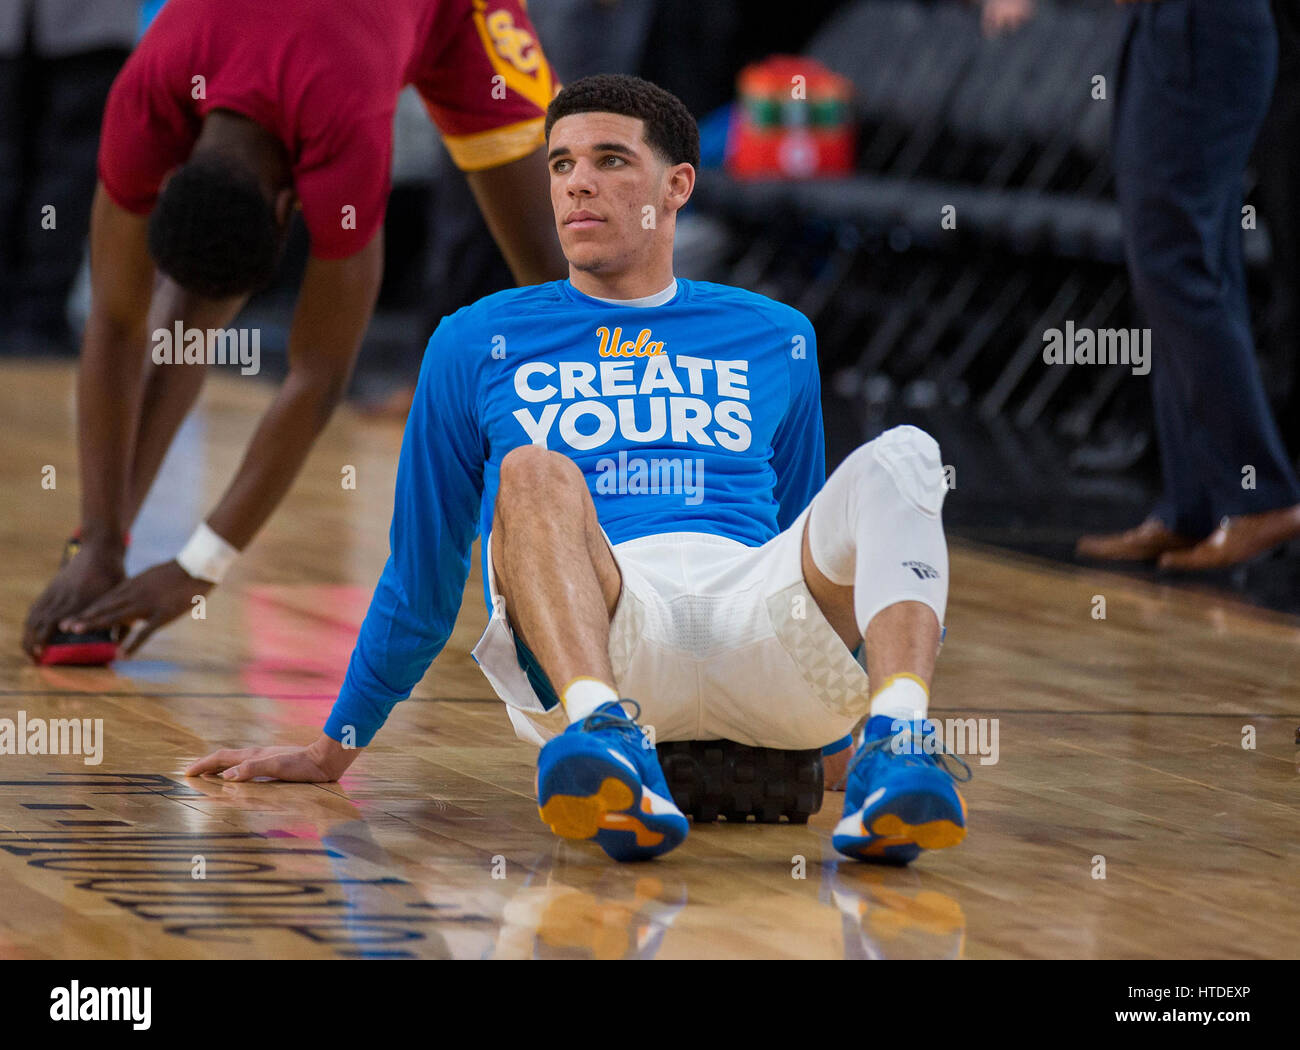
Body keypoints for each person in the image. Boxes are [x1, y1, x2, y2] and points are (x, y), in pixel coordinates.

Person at [188, 75, 971, 866]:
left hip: (761, 625)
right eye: (560, 165)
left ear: (676, 187)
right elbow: (422, 576)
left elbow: (808, 536)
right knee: (532, 469)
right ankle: (602, 740)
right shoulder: (474, 340)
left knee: (905, 452)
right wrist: (336, 747)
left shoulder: (777, 334)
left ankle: (896, 743)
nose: (577, 184)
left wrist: (824, 738)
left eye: (608, 159)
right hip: (598, 635)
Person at [21, 0, 567, 664]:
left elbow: (319, 376)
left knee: (563, 274)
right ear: (171, 173)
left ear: (291, 210)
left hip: (452, 16)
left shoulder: (348, 132)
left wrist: (199, 568)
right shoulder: (148, 89)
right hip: (321, 46)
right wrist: (97, 542)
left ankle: (645, 532)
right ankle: (101, 559)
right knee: (188, 309)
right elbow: (116, 321)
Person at [991, 0, 1300, 567]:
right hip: (1174, 27)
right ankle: (1193, 505)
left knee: (1174, 262)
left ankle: (1261, 495)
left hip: (1201, 27)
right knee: (1184, 262)